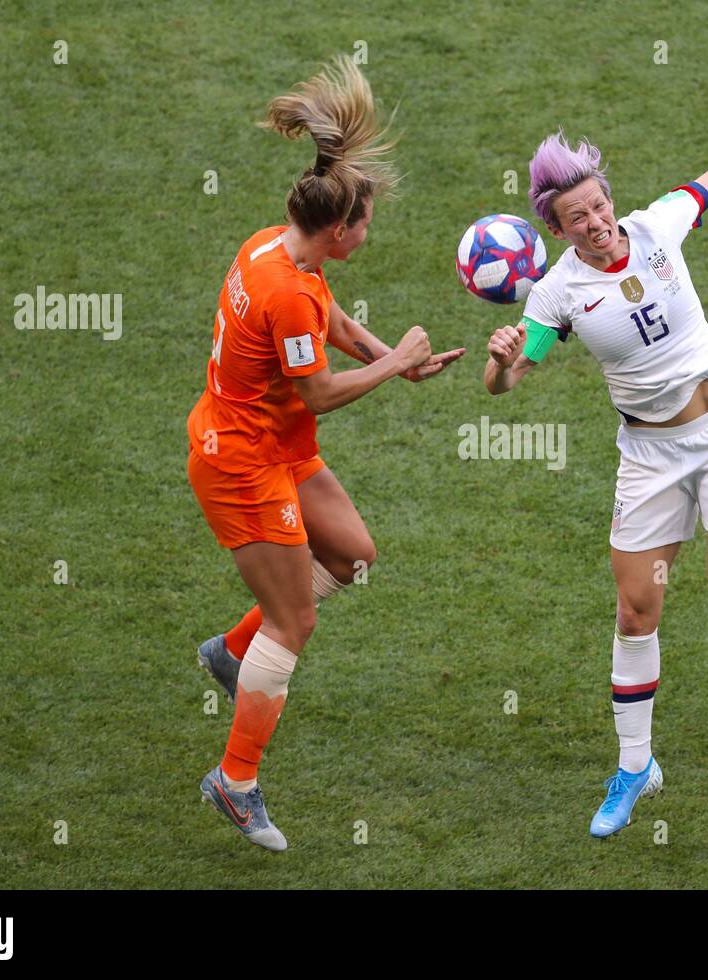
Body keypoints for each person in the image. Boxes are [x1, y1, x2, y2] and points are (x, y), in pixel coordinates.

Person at [484, 73, 708, 837]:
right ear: (558, 227)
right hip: (649, 455)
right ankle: (636, 768)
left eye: (600, 205)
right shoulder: (556, 296)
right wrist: (503, 354)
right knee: (635, 611)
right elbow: (507, 383)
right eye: (579, 218)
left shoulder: (656, 227)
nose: (598, 223)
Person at [187, 55, 464, 850]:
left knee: (352, 554)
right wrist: (392, 361)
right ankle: (235, 782)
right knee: (297, 618)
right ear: (339, 228)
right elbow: (320, 392)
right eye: (367, 224)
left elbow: (329, 317)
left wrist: (394, 356)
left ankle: (232, 651)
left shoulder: (278, 249)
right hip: (242, 462)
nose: (369, 234)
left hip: (272, 444)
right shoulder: (284, 288)